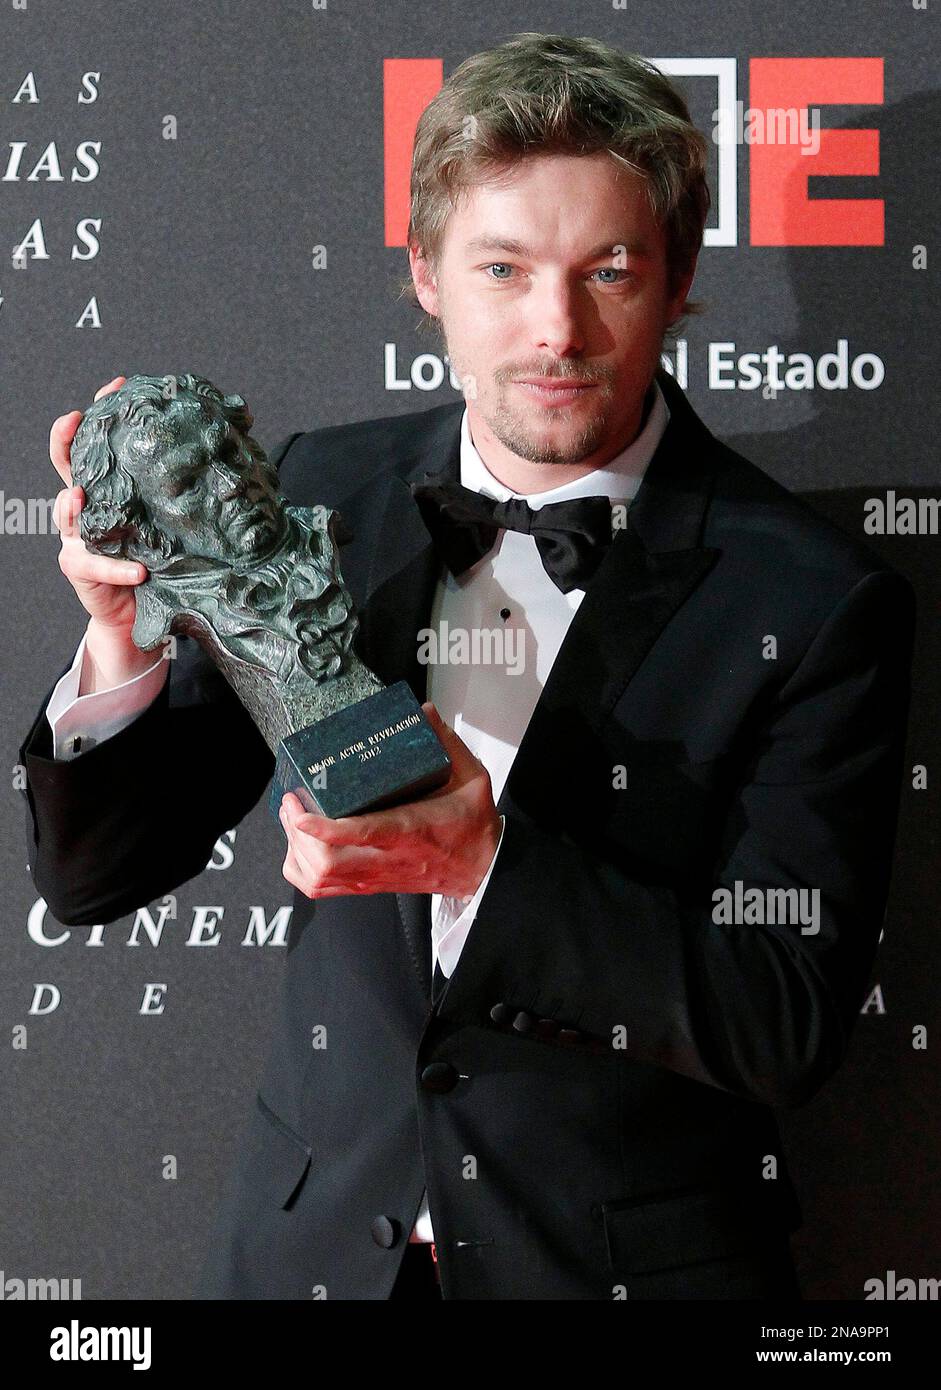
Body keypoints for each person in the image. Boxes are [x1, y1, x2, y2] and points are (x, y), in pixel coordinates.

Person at [19, 32, 915, 1300]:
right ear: (426, 276)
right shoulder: (315, 491)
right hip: (308, 1257)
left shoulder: (815, 598)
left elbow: (782, 1013)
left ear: (677, 281)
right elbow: (96, 876)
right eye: (503, 268)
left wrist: (481, 868)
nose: (556, 329)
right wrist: (118, 633)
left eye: (606, 269)